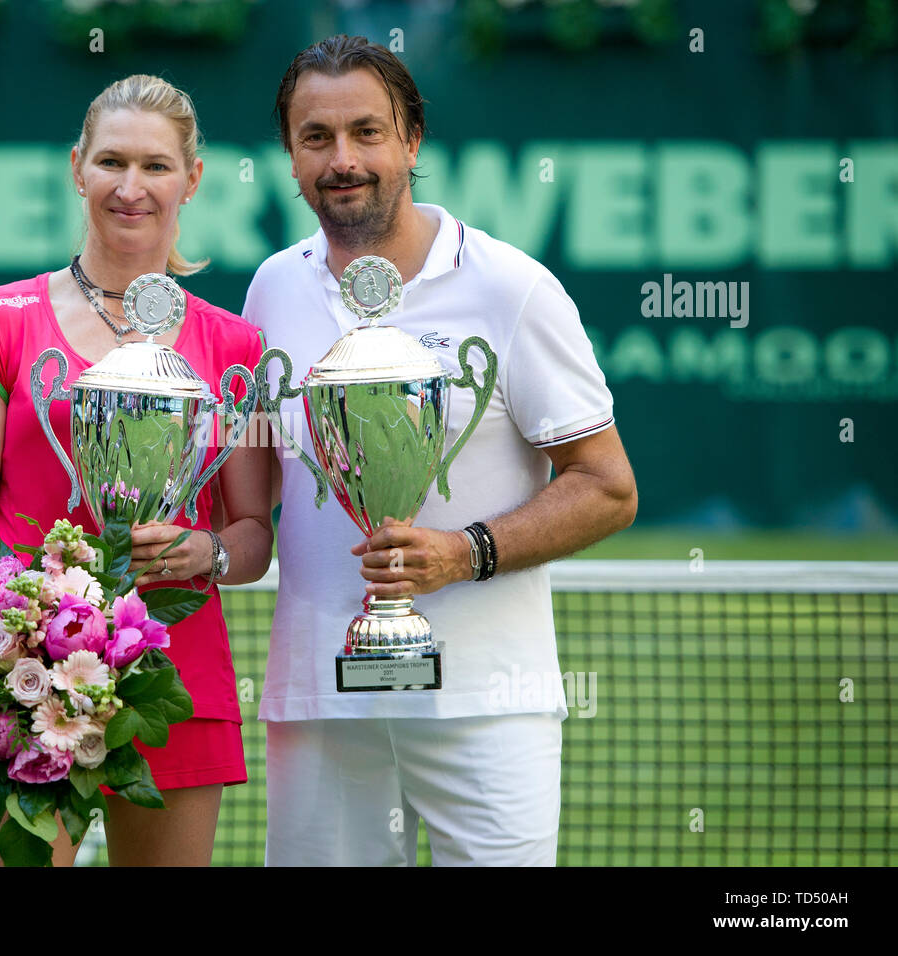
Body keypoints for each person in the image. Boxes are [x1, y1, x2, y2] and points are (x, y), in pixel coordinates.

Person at [243, 35, 638, 866]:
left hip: (487, 705)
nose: (343, 159)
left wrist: (465, 553)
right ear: (290, 155)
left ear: (413, 141)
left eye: (367, 132)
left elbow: (607, 486)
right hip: (319, 705)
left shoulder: (512, 287)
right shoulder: (272, 287)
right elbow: (257, 485)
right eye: (316, 137)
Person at [0, 74, 274, 866]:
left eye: (156, 166)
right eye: (111, 162)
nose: (130, 187)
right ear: (76, 168)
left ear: (192, 178)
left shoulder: (237, 346)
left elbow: (255, 534)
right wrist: (4, 638)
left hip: (175, 679)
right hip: (27, 677)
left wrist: (206, 551)